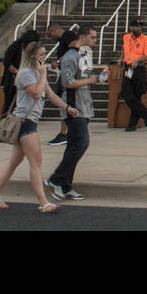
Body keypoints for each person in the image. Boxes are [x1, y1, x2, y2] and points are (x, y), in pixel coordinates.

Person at [0, 41, 79, 213]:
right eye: (42, 55)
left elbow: (50, 95)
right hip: (25, 122)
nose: (45, 58)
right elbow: (36, 93)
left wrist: (67, 108)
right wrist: (43, 74)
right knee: (36, 162)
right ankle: (43, 202)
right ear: (33, 57)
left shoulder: (36, 73)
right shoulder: (26, 74)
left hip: (29, 121)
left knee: (14, 162)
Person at [46, 25, 100, 202]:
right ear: (82, 37)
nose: (95, 41)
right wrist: (90, 80)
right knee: (81, 143)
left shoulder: (83, 55)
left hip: (83, 105)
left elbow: (84, 78)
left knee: (73, 146)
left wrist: (97, 78)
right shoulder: (70, 57)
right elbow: (68, 82)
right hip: (73, 106)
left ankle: (65, 184)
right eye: (92, 38)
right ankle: (57, 179)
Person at [46, 24, 79, 146]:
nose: (51, 38)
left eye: (50, 35)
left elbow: (76, 46)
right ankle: (68, 132)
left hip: (68, 74)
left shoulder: (68, 35)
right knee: (65, 102)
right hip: (66, 72)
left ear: (54, 31)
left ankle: (64, 133)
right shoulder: (64, 39)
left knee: (64, 102)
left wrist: (60, 61)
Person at [120, 20, 147, 132]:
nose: (139, 28)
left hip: (139, 68)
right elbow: (124, 48)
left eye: (140, 26)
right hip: (128, 68)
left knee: (137, 95)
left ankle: (132, 124)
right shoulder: (126, 37)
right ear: (131, 27)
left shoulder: (145, 39)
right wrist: (121, 58)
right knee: (126, 93)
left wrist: (137, 60)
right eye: (136, 26)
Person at [0, 29, 39, 120]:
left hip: (25, 77)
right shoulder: (15, 47)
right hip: (12, 78)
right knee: (9, 100)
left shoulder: (32, 51)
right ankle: (6, 118)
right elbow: (7, 62)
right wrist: (17, 72)